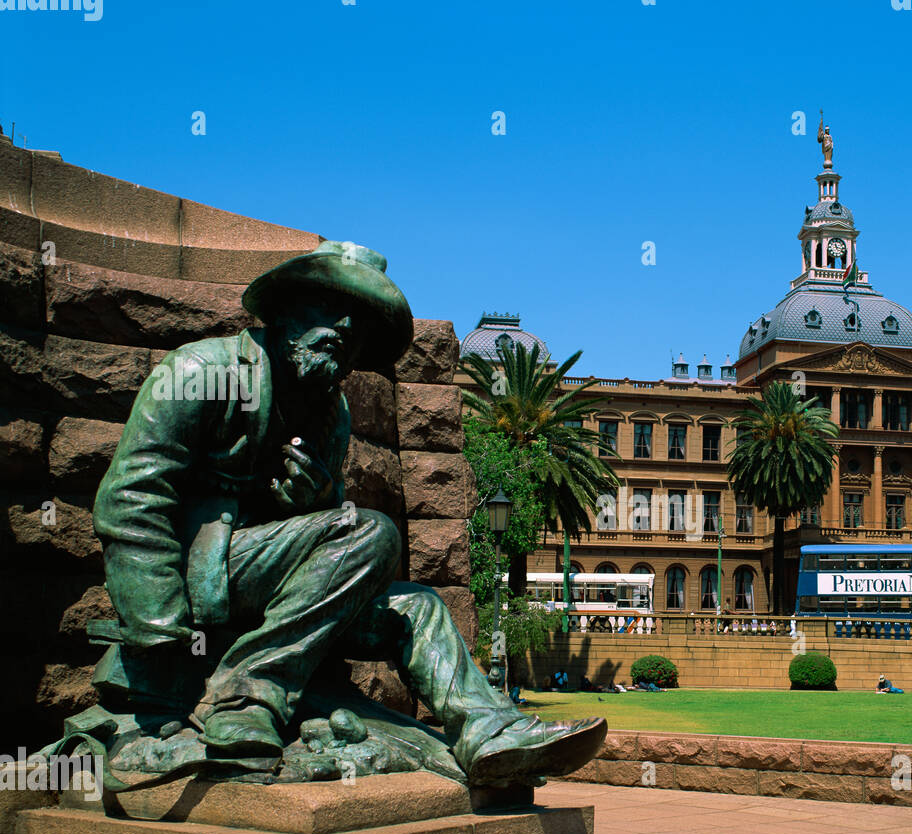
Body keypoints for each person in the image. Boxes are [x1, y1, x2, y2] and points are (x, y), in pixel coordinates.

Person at [90, 240, 604, 785]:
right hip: (203, 580)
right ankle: (243, 698)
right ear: (285, 309)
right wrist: (159, 626)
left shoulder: (330, 411)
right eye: (328, 307)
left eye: (358, 323)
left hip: (275, 588)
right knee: (374, 530)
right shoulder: (202, 369)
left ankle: (489, 733)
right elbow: (131, 496)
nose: (342, 327)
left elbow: (334, 552)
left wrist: (313, 502)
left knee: (418, 606)